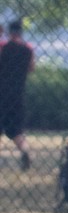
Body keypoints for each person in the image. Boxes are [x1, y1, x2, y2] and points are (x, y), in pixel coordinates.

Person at [1, 20, 32, 170]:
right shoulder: (28, 49)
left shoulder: (3, 47)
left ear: (9, 32)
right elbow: (31, 68)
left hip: (1, 93)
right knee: (17, 131)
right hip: (18, 94)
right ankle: (25, 150)